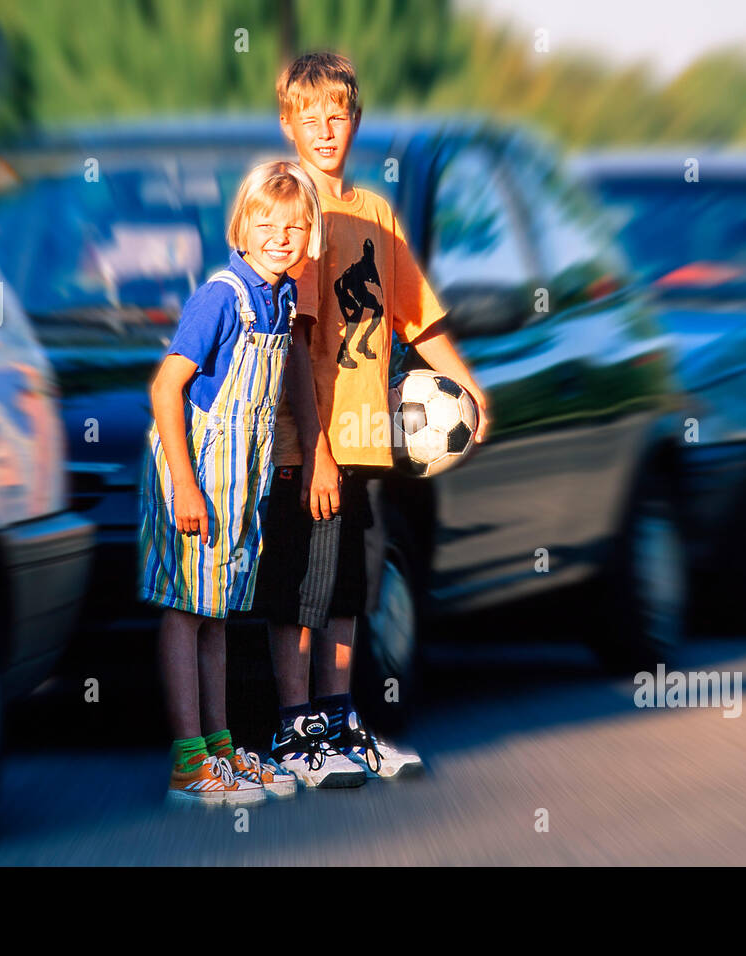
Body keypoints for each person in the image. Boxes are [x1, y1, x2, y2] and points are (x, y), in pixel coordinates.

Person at [253, 52, 490, 786]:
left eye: (339, 114)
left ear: (355, 120)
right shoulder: (299, 217)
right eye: (310, 116)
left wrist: (467, 388)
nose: (326, 129)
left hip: (365, 437)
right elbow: (293, 342)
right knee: (300, 590)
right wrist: (315, 449)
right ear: (288, 123)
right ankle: (295, 733)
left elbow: (417, 317)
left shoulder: (375, 214)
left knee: (349, 589)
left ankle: (334, 719)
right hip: (306, 441)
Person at [139, 161, 322, 806]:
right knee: (186, 611)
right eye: (266, 224)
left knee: (217, 617)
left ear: (311, 237)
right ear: (239, 229)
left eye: (296, 226)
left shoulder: (282, 297)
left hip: (240, 485)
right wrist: (184, 488)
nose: (281, 236)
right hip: (195, 478)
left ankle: (219, 748)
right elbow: (166, 389)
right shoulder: (222, 295)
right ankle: (188, 760)